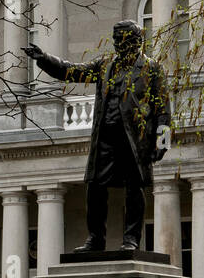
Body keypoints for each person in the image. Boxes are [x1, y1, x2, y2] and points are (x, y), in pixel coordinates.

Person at [24, 20, 171, 251]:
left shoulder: (152, 68)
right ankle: (96, 238)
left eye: (120, 40)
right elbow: (72, 71)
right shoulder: (105, 65)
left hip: (135, 138)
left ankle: (131, 239)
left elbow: (163, 108)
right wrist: (43, 59)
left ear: (134, 41)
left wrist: (162, 142)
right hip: (106, 136)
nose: (116, 45)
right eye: (115, 40)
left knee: (135, 187)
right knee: (94, 185)